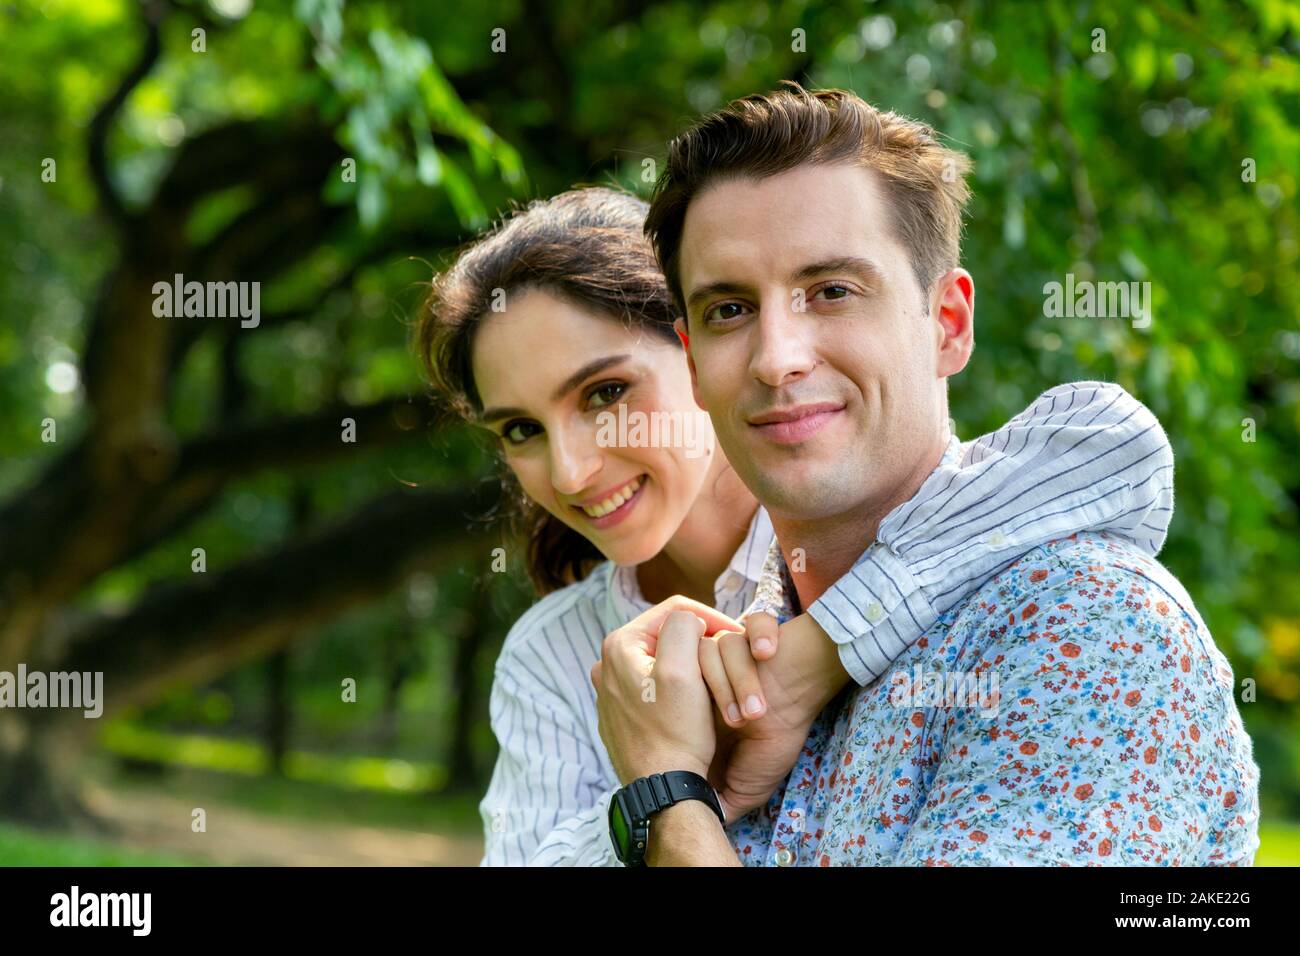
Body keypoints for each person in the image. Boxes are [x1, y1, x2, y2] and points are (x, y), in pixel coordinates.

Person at [591, 83, 1260, 865]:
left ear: (948, 324)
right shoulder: (738, 664)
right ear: (695, 368)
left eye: (833, 291)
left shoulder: (1085, 628)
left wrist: (668, 797)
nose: (776, 360)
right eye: (730, 310)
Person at [417, 185, 1180, 865]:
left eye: (605, 392)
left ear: (696, 355)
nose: (574, 470)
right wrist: (659, 791)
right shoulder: (553, 653)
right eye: (520, 431)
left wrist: (821, 647)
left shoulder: (860, 529)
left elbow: (1115, 448)